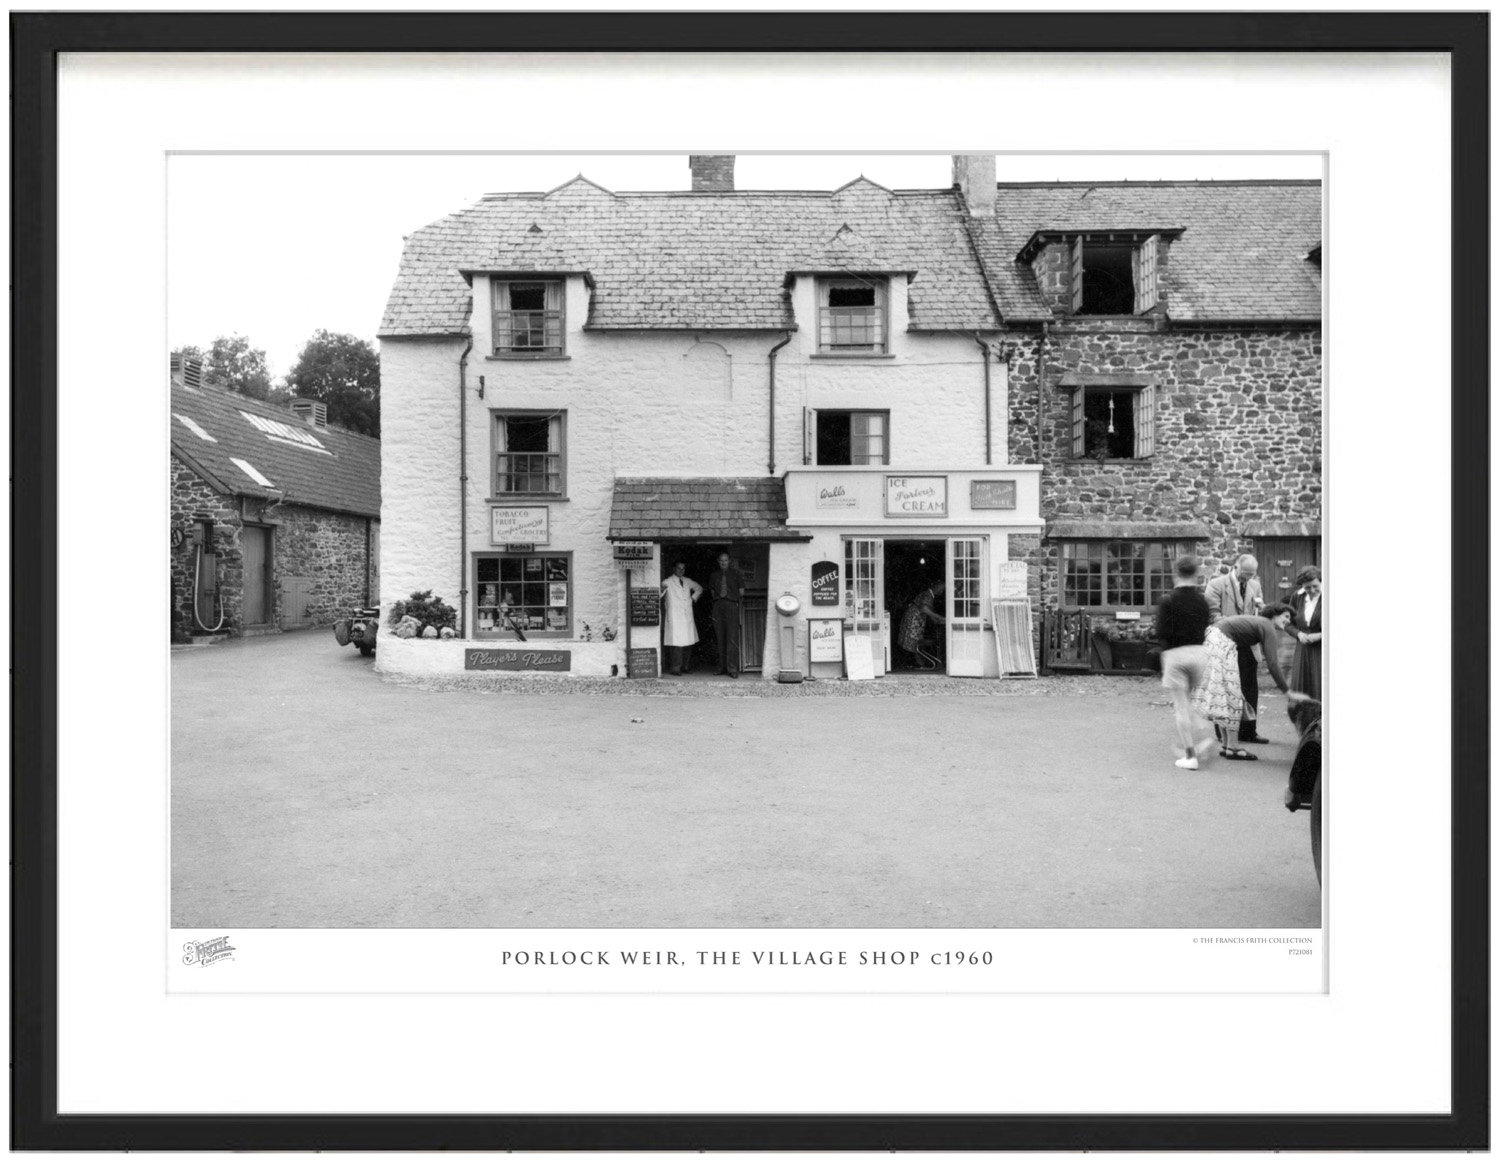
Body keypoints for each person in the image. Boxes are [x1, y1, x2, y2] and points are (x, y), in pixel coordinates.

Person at [1196, 604, 1295, 760]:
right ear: (1275, 615)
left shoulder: (1258, 622)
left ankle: (1227, 745)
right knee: (1233, 695)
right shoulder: (1267, 625)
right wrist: (1287, 690)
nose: (1288, 621)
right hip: (1221, 642)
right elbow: (1273, 664)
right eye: (1286, 616)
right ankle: (1233, 748)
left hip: (1212, 639)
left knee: (1225, 695)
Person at [1155, 554, 1215, 771]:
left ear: (1175, 573)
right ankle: (1205, 734)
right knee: (1192, 702)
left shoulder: (1167, 600)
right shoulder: (1203, 601)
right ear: (1196, 574)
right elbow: (1206, 626)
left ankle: (1191, 756)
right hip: (1200, 653)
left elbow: (1161, 632)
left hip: (1176, 655)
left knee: (1181, 705)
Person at [658, 561, 702, 676]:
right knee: (677, 643)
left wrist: (692, 598)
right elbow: (658, 595)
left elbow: (699, 588)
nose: (681, 570)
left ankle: (685, 666)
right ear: (674, 569)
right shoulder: (667, 581)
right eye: (678, 568)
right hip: (675, 616)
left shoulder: (687, 581)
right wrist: (662, 589)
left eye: (683, 568)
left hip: (686, 616)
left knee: (688, 642)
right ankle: (675, 668)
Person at [707, 551, 746, 678]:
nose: (723, 563)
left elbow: (741, 592)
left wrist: (730, 598)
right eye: (721, 560)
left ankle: (732, 669)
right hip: (718, 605)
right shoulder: (714, 575)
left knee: (732, 637)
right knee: (720, 637)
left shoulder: (736, 574)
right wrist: (720, 600)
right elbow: (712, 592)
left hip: (731, 605)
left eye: (726, 560)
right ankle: (721, 667)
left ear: (730, 561)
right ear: (718, 562)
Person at [1289, 565, 1323, 700]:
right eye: (1307, 587)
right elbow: (1287, 623)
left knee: (1320, 691)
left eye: (1315, 586)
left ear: (1321, 581)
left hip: (1322, 652)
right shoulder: (1297, 597)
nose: (1312, 590)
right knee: (1301, 694)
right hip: (1302, 651)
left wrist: (1321, 635)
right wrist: (1298, 633)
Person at [897, 582, 945, 670]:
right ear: (936, 587)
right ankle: (917, 663)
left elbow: (928, 611)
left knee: (915, 641)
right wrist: (939, 617)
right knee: (914, 640)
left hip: (916, 619)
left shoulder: (929, 595)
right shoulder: (927, 595)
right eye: (941, 589)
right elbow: (924, 609)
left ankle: (919, 663)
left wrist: (936, 619)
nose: (942, 591)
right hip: (914, 619)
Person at [1204, 554, 1264, 622]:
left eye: (1251, 575)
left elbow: (1260, 611)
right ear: (1235, 567)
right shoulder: (1215, 584)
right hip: (1225, 631)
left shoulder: (1256, 586)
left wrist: (1263, 609)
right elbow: (1213, 616)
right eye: (1245, 574)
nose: (1247, 578)